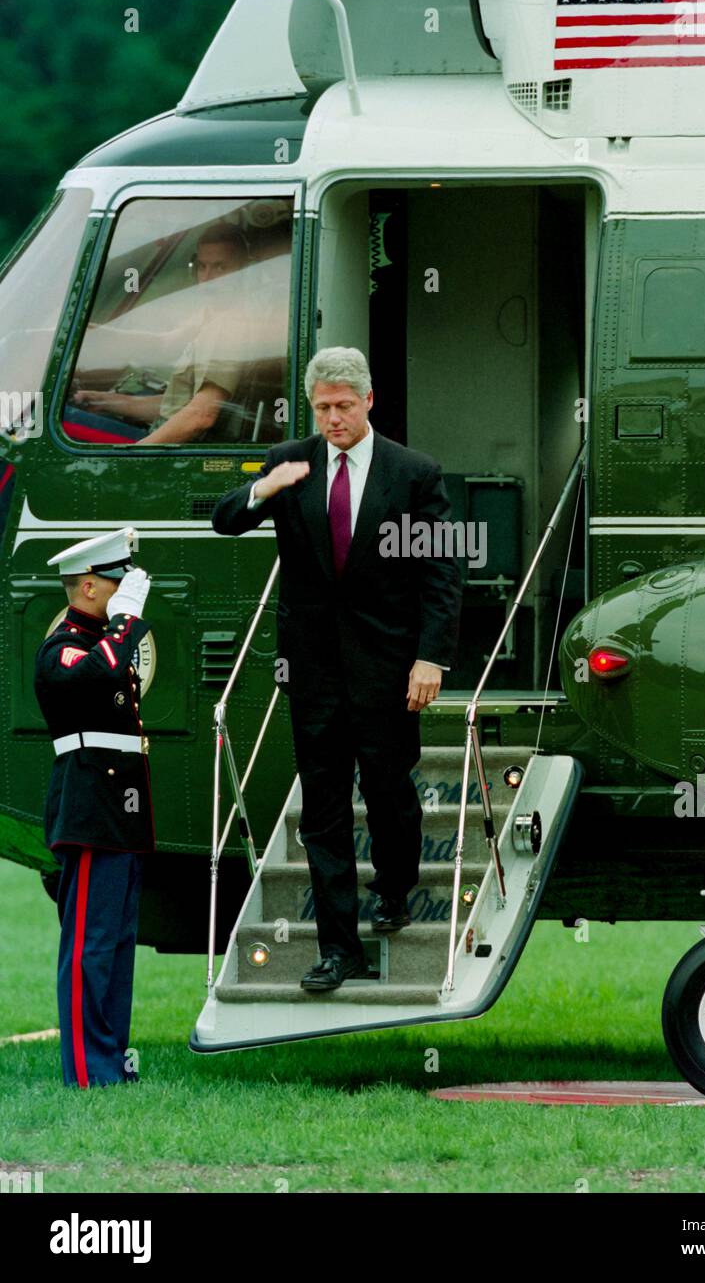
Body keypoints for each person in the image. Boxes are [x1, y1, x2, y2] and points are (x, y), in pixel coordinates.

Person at [212, 347, 463, 992]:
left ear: (368, 401)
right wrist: (263, 488)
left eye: (343, 407)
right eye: (321, 408)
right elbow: (224, 521)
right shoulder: (288, 465)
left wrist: (430, 657)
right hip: (314, 670)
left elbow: (442, 573)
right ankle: (337, 948)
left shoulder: (414, 473)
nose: (331, 419)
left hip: (389, 669)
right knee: (322, 812)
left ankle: (397, 886)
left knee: (389, 795)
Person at [33, 528, 154, 1086]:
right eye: (117, 580)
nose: (127, 588)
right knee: (90, 944)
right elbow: (96, 674)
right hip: (89, 809)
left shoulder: (100, 642)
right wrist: (127, 621)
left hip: (119, 811)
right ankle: (87, 1071)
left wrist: (121, 621)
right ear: (87, 586)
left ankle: (110, 1062)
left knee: (118, 944)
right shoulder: (61, 650)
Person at [72, 224, 252, 444]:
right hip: (163, 437)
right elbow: (174, 402)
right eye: (202, 267)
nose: (208, 278)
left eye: (220, 268)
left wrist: (129, 460)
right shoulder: (211, 316)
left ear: (245, 270)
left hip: (172, 452)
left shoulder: (230, 325)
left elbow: (201, 416)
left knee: (61, 421)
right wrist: (106, 400)